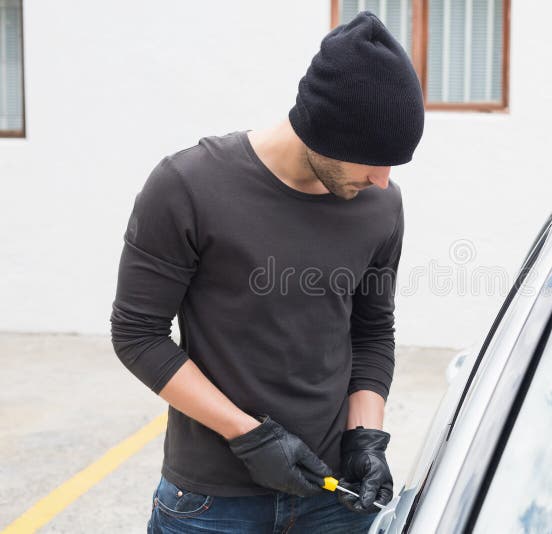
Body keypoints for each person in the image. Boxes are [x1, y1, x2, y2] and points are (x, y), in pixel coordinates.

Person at [109, 11, 424, 533]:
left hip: (332, 498)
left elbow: (370, 332)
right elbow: (137, 335)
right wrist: (246, 434)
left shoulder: (381, 207)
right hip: (212, 505)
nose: (382, 180)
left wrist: (365, 437)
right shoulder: (187, 186)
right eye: (373, 160)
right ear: (323, 129)